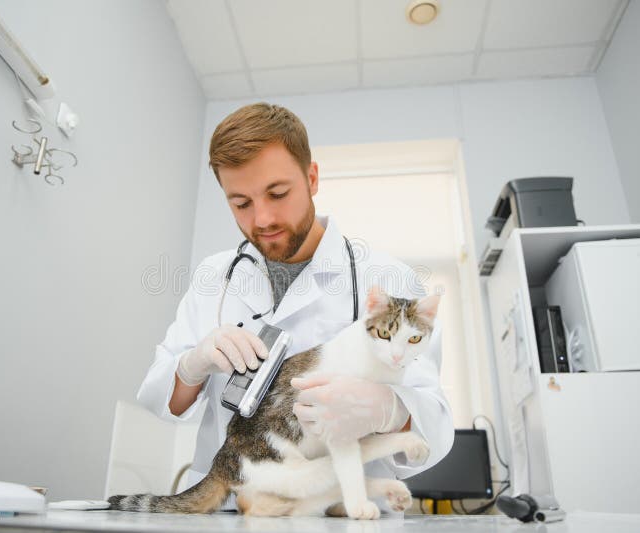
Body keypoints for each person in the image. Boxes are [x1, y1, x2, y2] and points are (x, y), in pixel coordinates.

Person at [136, 103, 454, 511]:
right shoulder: (214, 277)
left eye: (278, 193)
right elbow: (162, 399)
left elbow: (437, 427)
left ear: (312, 178)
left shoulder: (387, 279)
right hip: (232, 512)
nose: (263, 217)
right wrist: (192, 365)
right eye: (241, 203)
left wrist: (390, 410)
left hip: (341, 515)